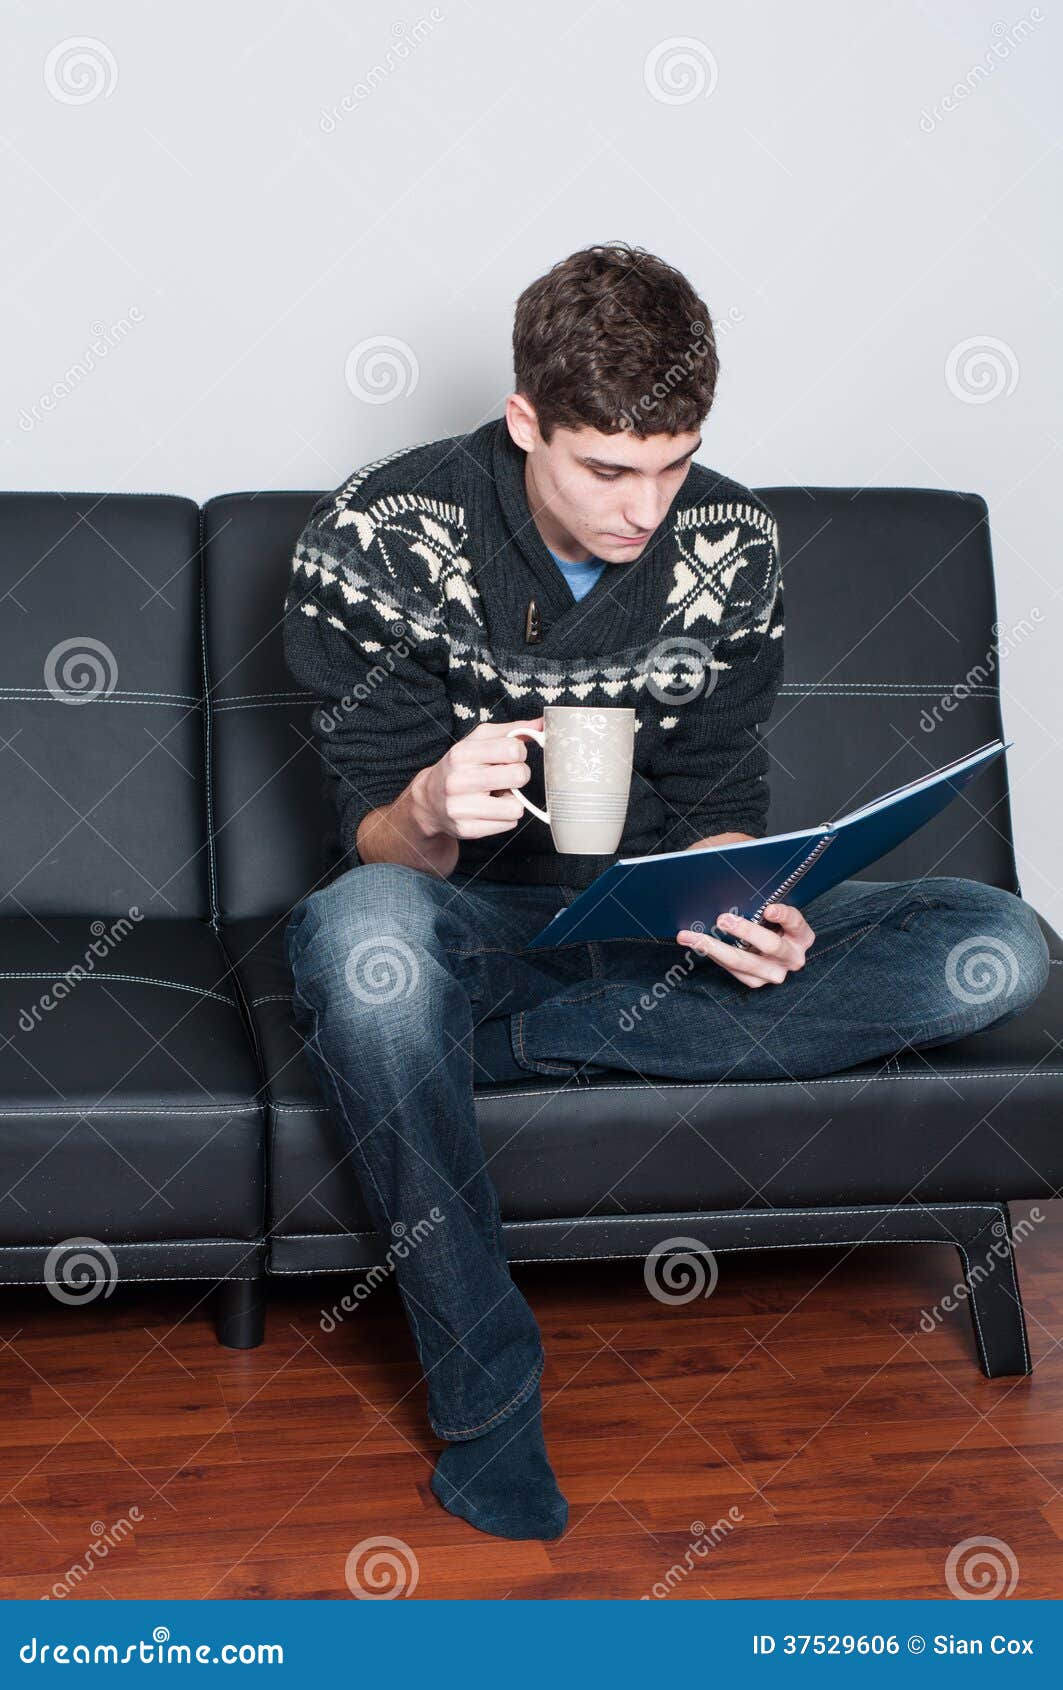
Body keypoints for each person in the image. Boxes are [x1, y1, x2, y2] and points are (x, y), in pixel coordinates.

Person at [281, 243, 1050, 1543]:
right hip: (454, 924)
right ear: (527, 421)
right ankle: (489, 1409)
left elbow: (717, 787)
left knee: (999, 944)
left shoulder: (728, 543)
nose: (648, 508)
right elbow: (369, 841)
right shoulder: (378, 536)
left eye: (674, 462)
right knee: (365, 948)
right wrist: (422, 810)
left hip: (643, 941)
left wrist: (743, 892)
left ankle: (520, 1042)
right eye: (607, 468)